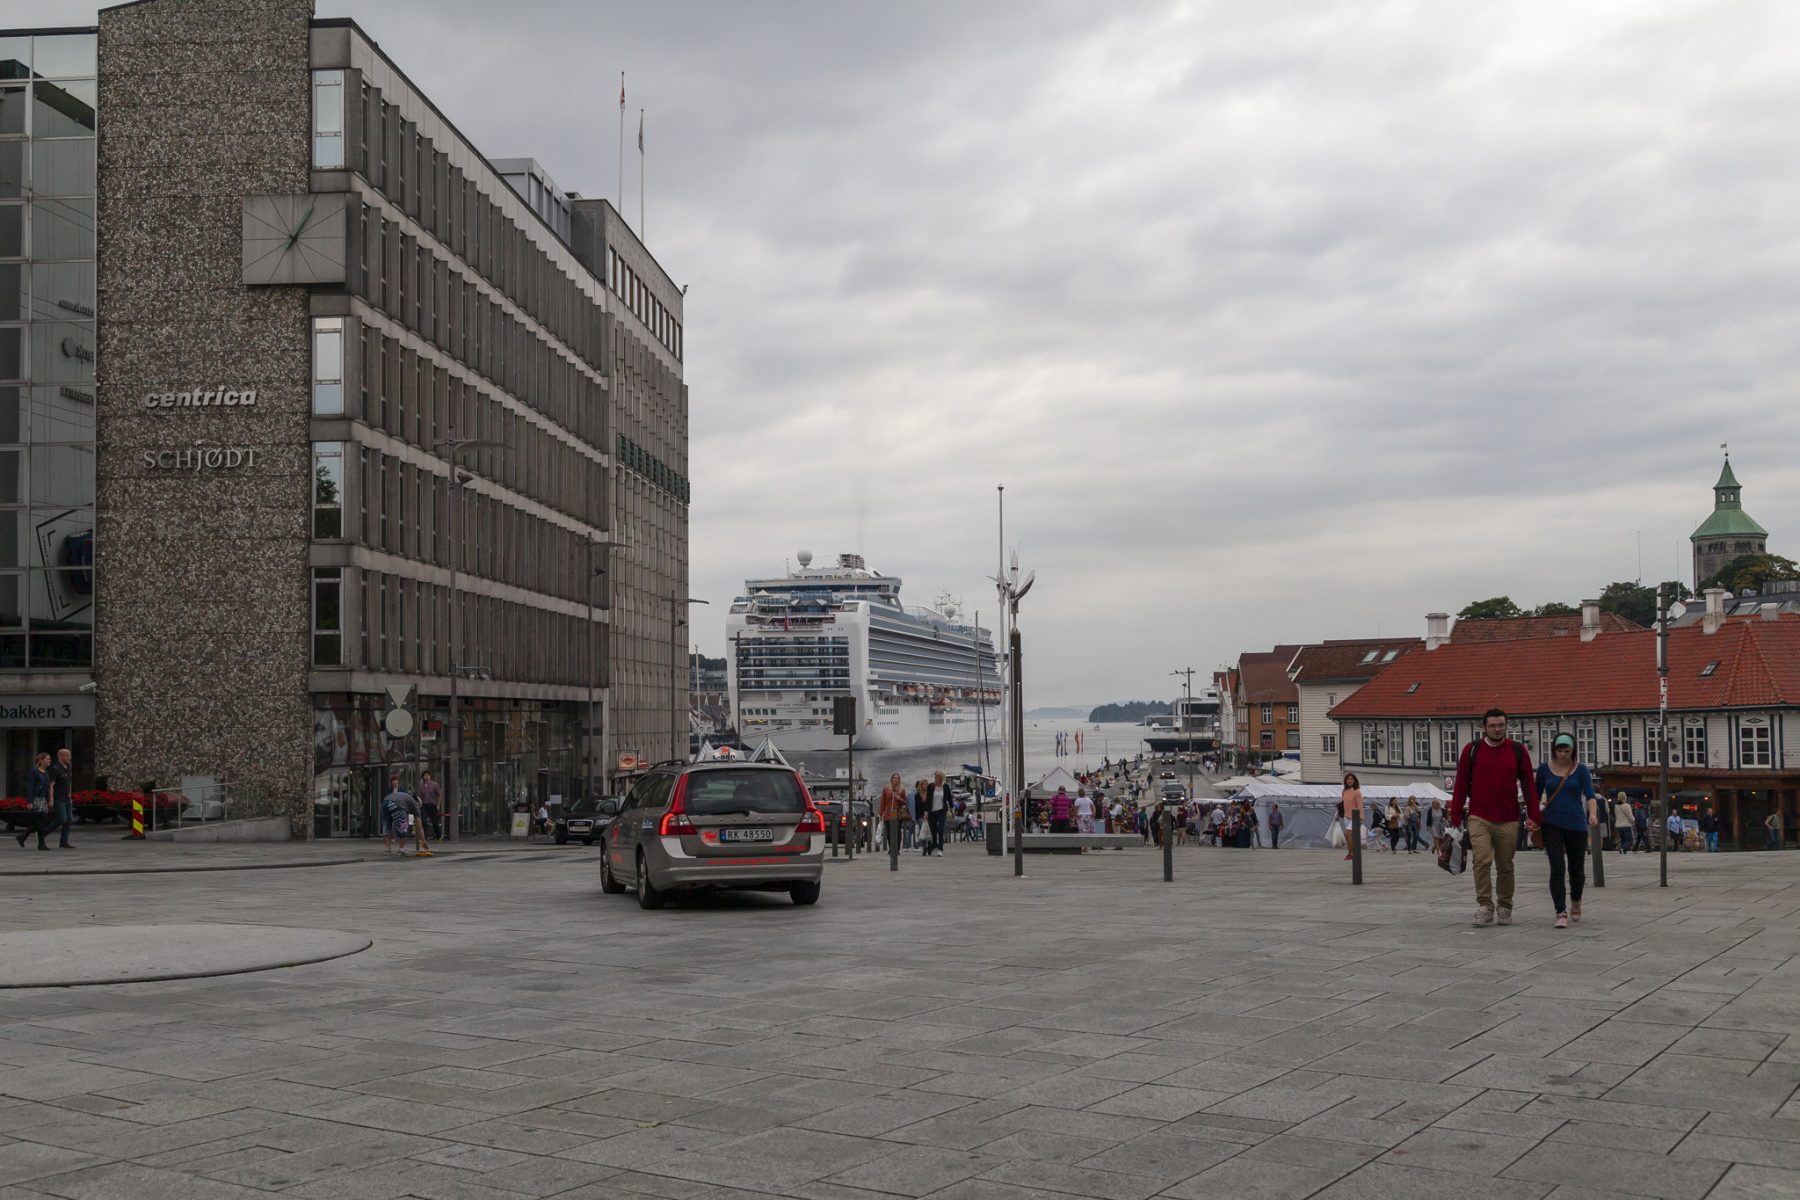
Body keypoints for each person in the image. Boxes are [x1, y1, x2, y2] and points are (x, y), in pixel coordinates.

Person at [1450, 708, 1540, 927]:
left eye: (1501, 725)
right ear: (1484, 727)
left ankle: (1505, 906)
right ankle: (1485, 905)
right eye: (1492, 725)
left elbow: (1528, 784)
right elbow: (1461, 783)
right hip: (1479, 815)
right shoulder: (1472, 750)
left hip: (1508, 816)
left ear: (1506, 726)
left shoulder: (1517, 751)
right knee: (1481, 861)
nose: (1497, 729)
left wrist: (1535, 814)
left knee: (1505, 865)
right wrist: (1455, 814)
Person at [1535, 732, 1595, 929]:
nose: (1562, 754)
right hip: (1552, 823)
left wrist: (1592, 814)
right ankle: (1560, 911)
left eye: (1566, 751)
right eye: (1559, 750)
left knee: (1576, 870)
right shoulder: (1544, 769)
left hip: (1576, 824)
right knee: (1557, 867)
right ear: (1554, 750)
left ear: (1573, 751)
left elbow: (1590, 795)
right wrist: (1532, 816)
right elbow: (1535, 795)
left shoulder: (1581, 770)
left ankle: (1576, 898)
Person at [14, 752, 52, 850]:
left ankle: (24, 836)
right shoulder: (34, 771)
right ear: (41, 760)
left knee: (42, 821)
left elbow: (47, 787)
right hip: (36, 799)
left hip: (43, 799)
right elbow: (30, 786)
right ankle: (40, 843)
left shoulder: (46, 772)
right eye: (47, 759)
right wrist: (29, 801)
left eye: (49, 759)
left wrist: (49, 799)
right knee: (42, 820)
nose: (49, 761)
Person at [46, 747, 74, 850]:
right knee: (62, 819)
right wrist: (51, 799)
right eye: (67, 755)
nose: (69, 757)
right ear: (60, 756)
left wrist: (70, 794)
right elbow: (51, 785)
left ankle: (64, 841)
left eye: (69, 755)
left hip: (66, 798)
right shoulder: (55, 769)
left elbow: (68, 783)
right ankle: (43, 834)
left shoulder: (67, 767)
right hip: (58, 798)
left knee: (69, 819)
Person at [382, 776, 412, 858]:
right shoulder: (389, 790)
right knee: (387, 828)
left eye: (396, 780)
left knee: (402, 828)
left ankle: (401, 848)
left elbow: (405, 799)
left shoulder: (402, 790)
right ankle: (387, 848)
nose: (394, 782)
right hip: (389, 810)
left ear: (398, 781)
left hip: (399, 811)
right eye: (393, 781)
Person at [879, 773, 908, 852]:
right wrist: (881, 813)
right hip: (888, 813)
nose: (896, 780)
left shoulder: (902, 789)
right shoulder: (886, 789)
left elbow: (905, 802)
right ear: (891, 779)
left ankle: (897, 849)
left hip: (897, 813)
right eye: (895, 778)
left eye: (897, 778)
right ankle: (891, 848)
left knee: (897, 831)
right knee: (889, 832)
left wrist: (899, 798)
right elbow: (883, 802)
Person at [925, 770, 952, 856]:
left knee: (940, 829)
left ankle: (940, 849)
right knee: (933, 830)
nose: (936, 778)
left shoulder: (946, 786)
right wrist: (926, 812)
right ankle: (935, 846)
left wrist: (953, 808)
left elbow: (949, 798)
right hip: (932, 811)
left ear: (941, 777)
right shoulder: (930, 786)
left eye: (938, 776)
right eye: (935, 776)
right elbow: (928, 800)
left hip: (942, 811)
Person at [1341, 773, 1363, 862]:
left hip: (1355, 817)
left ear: (1355, 781)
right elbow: (1342, 804)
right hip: (1346, 816)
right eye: (1348, 779)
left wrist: (1361, 817)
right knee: (1350, 837)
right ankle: (1352, 853)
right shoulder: (1344, 791)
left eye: (1352, 779)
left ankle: (1351, 853)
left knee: (1347, 833)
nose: (1350, 780)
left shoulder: (1357, 791)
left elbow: (1360, 805)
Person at [417, 771, 442, 839]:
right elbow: (419, 797)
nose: (427, 776)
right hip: (424, 805)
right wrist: (419, 804)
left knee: (435, 822)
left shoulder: (435, 785)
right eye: (425, 775)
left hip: (433, 805)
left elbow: (439, 795)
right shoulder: (421, 787)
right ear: (423, 777)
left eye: (428, 775)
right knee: (423, 821)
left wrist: (438, 805)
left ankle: (439, 836)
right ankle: (424, 837)